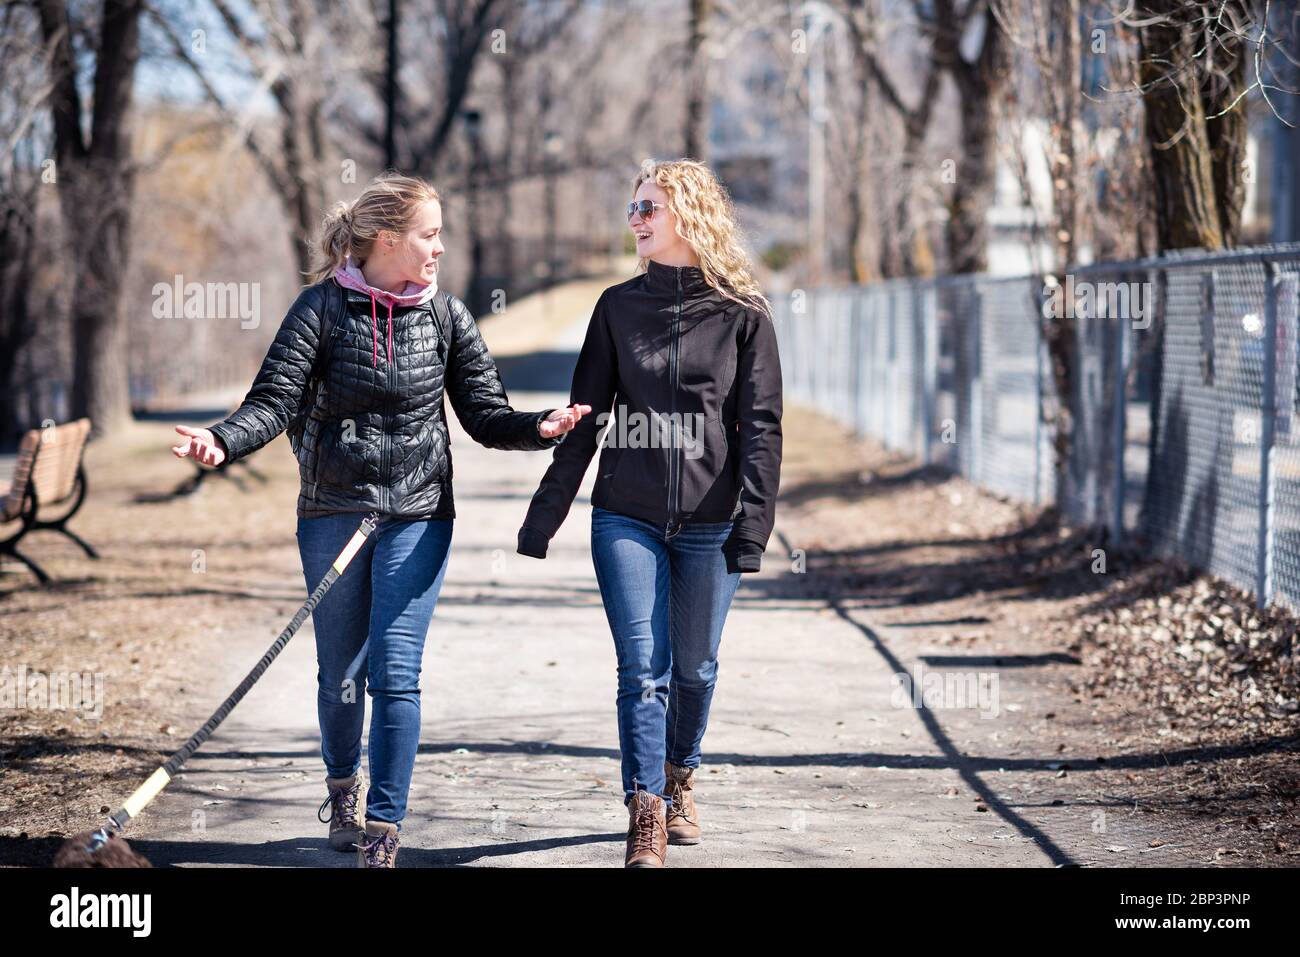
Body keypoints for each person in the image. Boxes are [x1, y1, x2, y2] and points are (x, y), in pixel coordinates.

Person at [171, 173, 590, 867]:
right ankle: (342, 790)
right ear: (386, 240)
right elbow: (272, 402)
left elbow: (484, 415)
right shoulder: (322, 310)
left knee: (397, 670)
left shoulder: (447, 316)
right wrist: (222, 440)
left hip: (418, 513)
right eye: (429, 234)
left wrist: (538, 426)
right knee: (341, 670)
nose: (440, 247)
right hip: (335, 509)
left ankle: (383, 825)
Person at [517, 159, 783, 867]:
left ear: (689, 216)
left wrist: (754, 524)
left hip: (711, 520)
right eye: (633, 208)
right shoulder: (615, 308)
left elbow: (761, 426)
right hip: (625, 515)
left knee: (694, 667)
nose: (635, 219)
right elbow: (585, 417)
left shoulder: (743, 314)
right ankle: (646, 811)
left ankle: (680, 774)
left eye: (648, 208)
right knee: (642, 668)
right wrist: (544, 518)